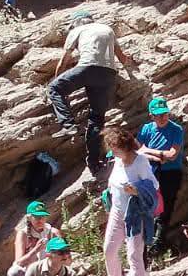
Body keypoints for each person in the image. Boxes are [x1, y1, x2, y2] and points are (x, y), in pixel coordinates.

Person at [49, 11, 138, 164]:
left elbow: (63, 60)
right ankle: (94, 161)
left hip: (87, 68)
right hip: (108, 75)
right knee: (96, 119)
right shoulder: (107, 29)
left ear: (76, 23)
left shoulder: (76, 30)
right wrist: (130, 66)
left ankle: (68, 125)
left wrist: (58, 79)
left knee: (54, 89)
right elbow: (121, 57)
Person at [95, 125, 157, 276]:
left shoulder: (140, 162)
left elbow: (153, 185)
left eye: (115, 147)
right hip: (117, 211)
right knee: (109, 249)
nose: (112, 151)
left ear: (126, 146)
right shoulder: (118, 161)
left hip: (134, 214)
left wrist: (136, 189)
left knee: (134, 256)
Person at [137, 97, 186, 252]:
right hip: (151, 171)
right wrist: (157, 155)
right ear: (152, 115)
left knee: (166, 207)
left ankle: (158, 243)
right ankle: (146, 241)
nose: (163, 117)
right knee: (149, 205)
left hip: (170, 173)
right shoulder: (147, 129)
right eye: (158, 115)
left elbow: (172, 154)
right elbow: (138, 149)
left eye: (165, 113)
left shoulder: (176, 129)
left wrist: (148, 151)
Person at [7, 201, 61, 276]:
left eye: (43, 216)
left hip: (50, 273)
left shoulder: (53, 233)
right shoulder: (23, 234)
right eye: (36, 217)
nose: (40, 219)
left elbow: (65, 258)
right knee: (14, 272)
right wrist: (36, 250)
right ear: (29, 218)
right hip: (31, 274)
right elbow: (19, 263)